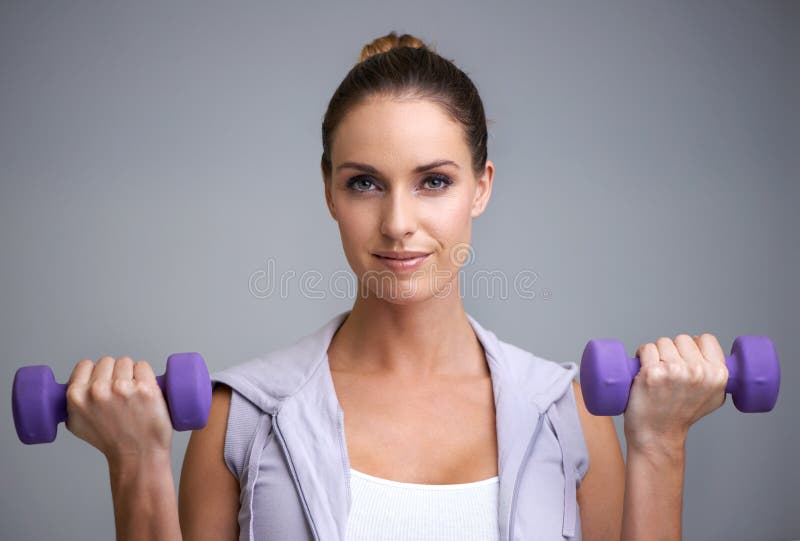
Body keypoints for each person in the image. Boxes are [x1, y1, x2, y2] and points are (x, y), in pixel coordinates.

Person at [64, 31, 730, 541]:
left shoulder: (569, 416)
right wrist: (136, 465)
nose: (398, 223)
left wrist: (661, 445)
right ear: (329, 191)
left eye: (433, 180)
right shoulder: (237, 418)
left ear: (483, 186)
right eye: (365, 182)